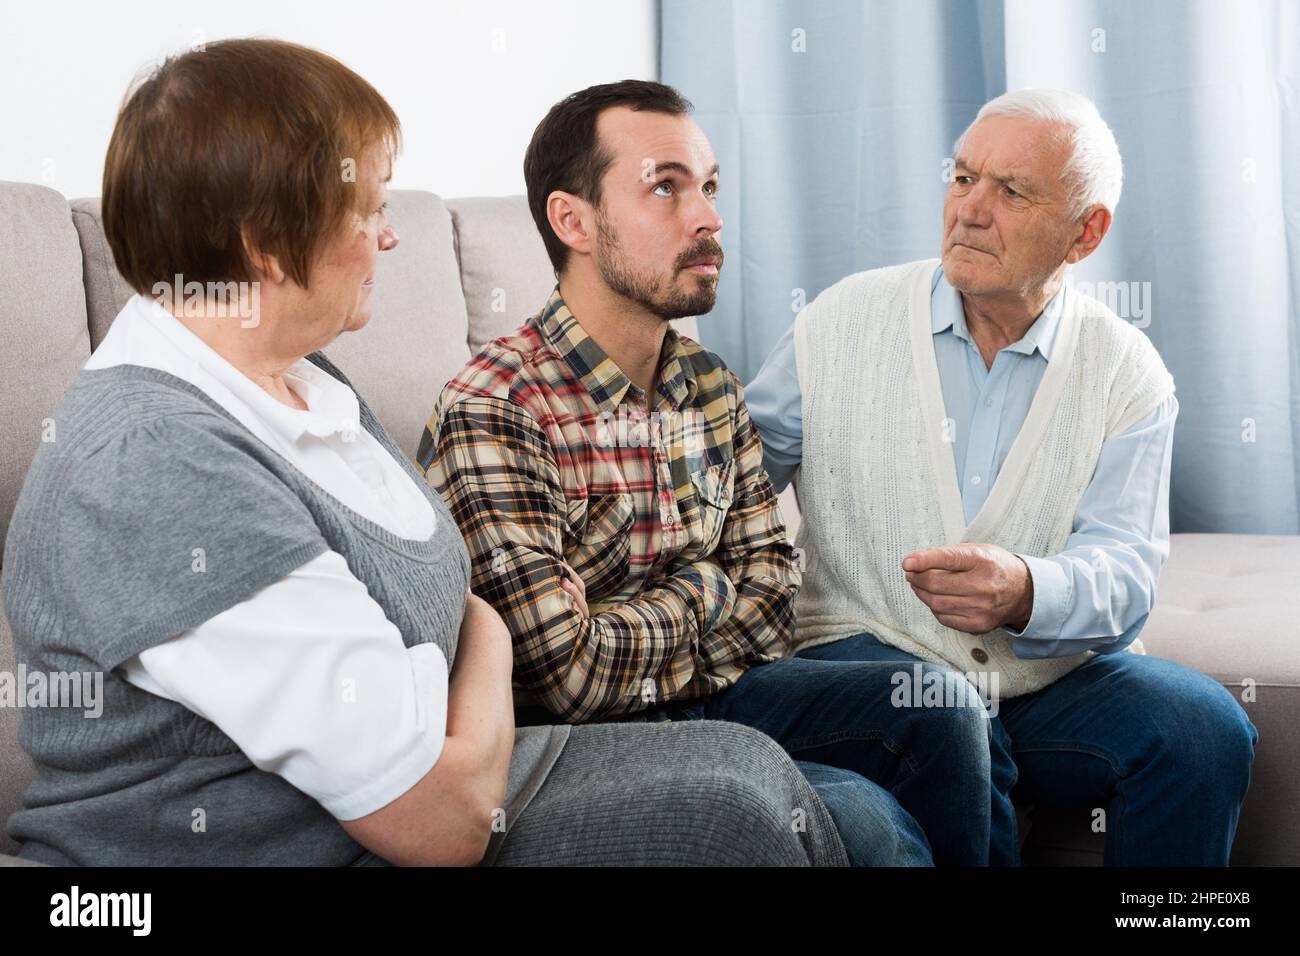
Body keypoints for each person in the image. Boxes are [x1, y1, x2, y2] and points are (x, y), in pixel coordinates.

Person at [1, 39, 848, 867]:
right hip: (305, 842)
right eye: (367, 208)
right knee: (744, 813)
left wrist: (467, 661)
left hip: (458, 764)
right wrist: (487, 631)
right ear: (265, 240)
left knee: (800, 777)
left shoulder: (299, 379)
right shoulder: (161, 463)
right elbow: (442, 823)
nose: (389, 235)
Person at [421, 81, 996, 866]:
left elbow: (771, 601)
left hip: (721, 695)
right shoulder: (497, 407)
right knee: (865, 821)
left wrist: (672, 617)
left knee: (945, 709)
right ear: (572, 221)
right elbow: (562, 674)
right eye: (666, 187)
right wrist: (705, 591)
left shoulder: (710, 384)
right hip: (583, 741)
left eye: (710, 187)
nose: (709, 219)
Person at [746, 88, 1258, 865]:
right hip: (862, 654)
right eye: (962, 177)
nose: (970, 210)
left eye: (1011, 191)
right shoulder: (839, 323)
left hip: (1040, 681)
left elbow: (1124, 571)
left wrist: (1026, 591)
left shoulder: (1126, 371)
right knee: (949, 713)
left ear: (1086, 233)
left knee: (1202, 730)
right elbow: (727, 489)